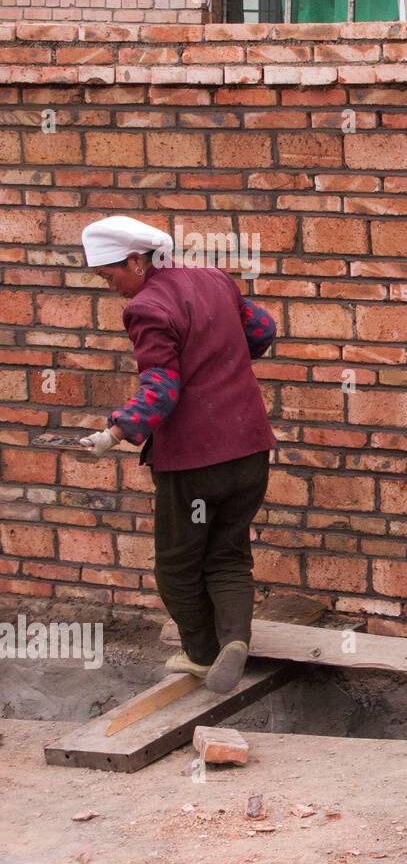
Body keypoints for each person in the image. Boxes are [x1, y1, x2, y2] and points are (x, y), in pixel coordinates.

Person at [79, 216, 278, 693]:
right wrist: (225, 362)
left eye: (109, 276)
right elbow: (263, 328)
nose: (111, 288)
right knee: (228, 553)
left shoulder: (147, 308)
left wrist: (114, 433)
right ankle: (236, 640)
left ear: (135, 261)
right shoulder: (213, 279)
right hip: (250, 446)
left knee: (176, 564)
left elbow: (161, 390)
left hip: (195, 460)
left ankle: (202, 653)